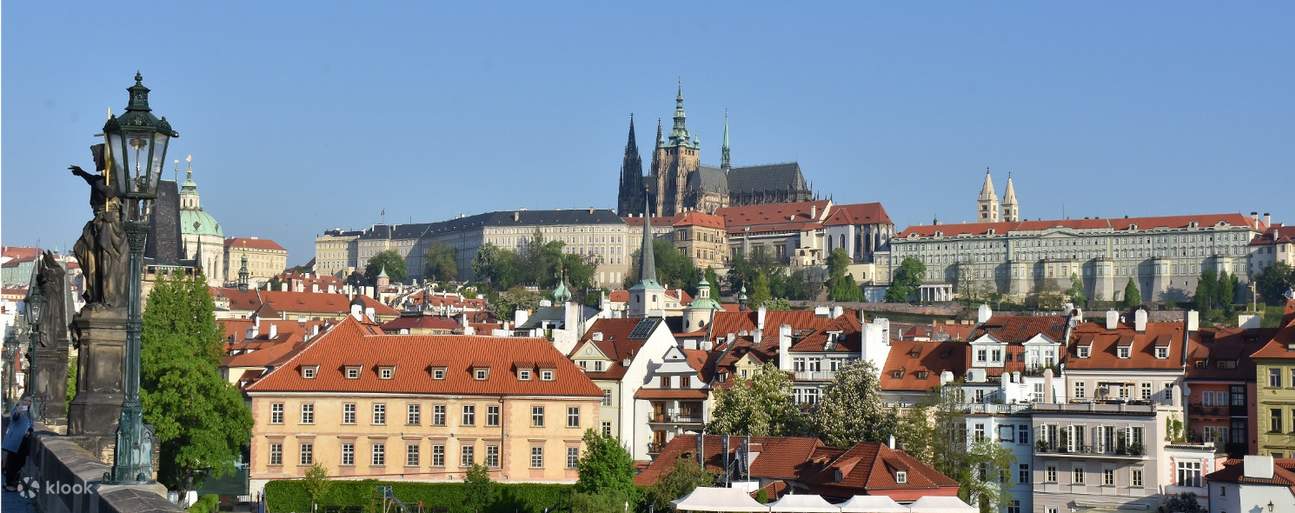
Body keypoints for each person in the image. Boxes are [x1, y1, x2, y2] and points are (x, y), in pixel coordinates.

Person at [2, 398, 33, 490]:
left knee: (19, 462)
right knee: (13, 462)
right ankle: (9, 484)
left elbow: (30, 425)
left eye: (30, 401)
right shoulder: (17, 409)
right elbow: (14, 417)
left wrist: (30, 431)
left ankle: (11, 482)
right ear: (21, 401)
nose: (27, 402)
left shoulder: (29, 413)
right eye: (26, 400)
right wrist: (18, 410)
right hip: (15, 441)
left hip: (23, 441)